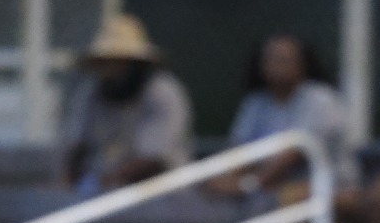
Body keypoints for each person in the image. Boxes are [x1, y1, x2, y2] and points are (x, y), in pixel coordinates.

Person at [55, 15, 192, 192]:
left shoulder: (162, 93)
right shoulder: (91, 93)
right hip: (101, 187)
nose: (111, 71)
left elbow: (153, 158)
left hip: (162, 194)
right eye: (106, 63)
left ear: (136, 64)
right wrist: (68, 184)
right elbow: (77, 146)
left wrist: (108, 182)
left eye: (119, 62)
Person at [215, 33, 356, 194]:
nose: (277, 65)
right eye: (271, 59)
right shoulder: (256, 102)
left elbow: (293, 155)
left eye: (284, 60)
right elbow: (240, 152)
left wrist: (247, 186)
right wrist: (223, 179)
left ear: (303, 64)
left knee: (288, 197)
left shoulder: (320, 99)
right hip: (268, 187)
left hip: (330, 187)